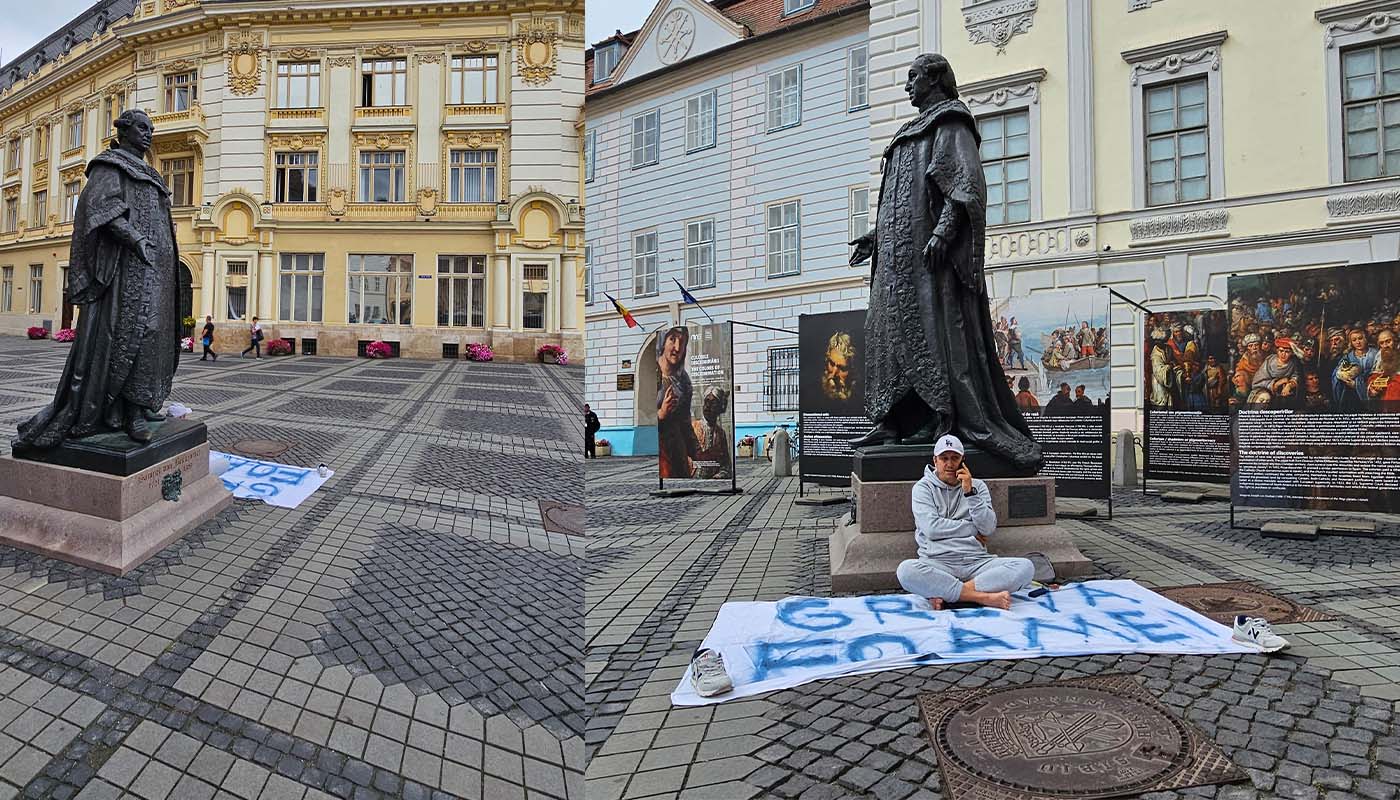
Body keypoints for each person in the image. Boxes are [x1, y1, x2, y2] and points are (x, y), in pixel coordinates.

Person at [848, 53, 1042, 475]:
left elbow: (963, 186)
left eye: (912, 78)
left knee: (935, 339)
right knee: (888, 336)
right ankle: (892, 424)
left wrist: (942, 234)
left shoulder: (951, 123)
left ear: (934, 79)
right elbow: (900, 203)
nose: (907, 87)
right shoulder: (908, 133)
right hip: (895, 266)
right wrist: (875, 237)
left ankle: (941, 421)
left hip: (928, 266)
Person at [13, 110, 180, 448]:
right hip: (126, 272)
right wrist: (134, 240)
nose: (148, 134)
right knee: (132, 335)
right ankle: (124, 414)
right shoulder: (109, 165)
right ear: (124, 130)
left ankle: (140, 406)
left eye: (151, 129)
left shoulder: (149, 172)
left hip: (157, 270)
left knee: (154, 338)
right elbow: (101, 211)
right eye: (142, 128)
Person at [895, 435, 1035, 611]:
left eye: (954, 458)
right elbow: (932, 529)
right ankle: (981, 597)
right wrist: (971, 529)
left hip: (976, 562)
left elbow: (988, 528)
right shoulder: (923, 488)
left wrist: (970, 493)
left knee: (1025, 568)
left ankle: (949, 595)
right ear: (935, 460)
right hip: (938, 562)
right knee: (906, 571)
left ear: (963, 460)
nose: (949, 464)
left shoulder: (978, 486)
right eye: (944, 458)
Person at [656, 326, 698, 478]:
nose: (677, 347)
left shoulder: (683, 380)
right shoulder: (653, 372)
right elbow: (644, 413)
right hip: (660, 449)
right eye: (672, 339)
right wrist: (661, 413)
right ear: (663, 342)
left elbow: (685, 421)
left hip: (677, 448)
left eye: (682, 341)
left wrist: (696, 452)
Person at [690, 387, 732, 479]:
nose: (708, 406)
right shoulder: (693, 427)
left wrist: (720, 474)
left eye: (713, 403)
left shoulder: (721, 433)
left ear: (720, 407)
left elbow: (726, 463)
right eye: (706, 401)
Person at [1333, 329, 1378, 411]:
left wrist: (1356, 384)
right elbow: (1337, 373)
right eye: (1354, 340)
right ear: (1351, 342)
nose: (1358, 342)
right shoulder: (1348, 357)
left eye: (1360, 338)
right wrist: (1344, 377)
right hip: (1353, 396)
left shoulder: (1376, 354)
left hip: (1372, 392)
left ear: (1366, 339)